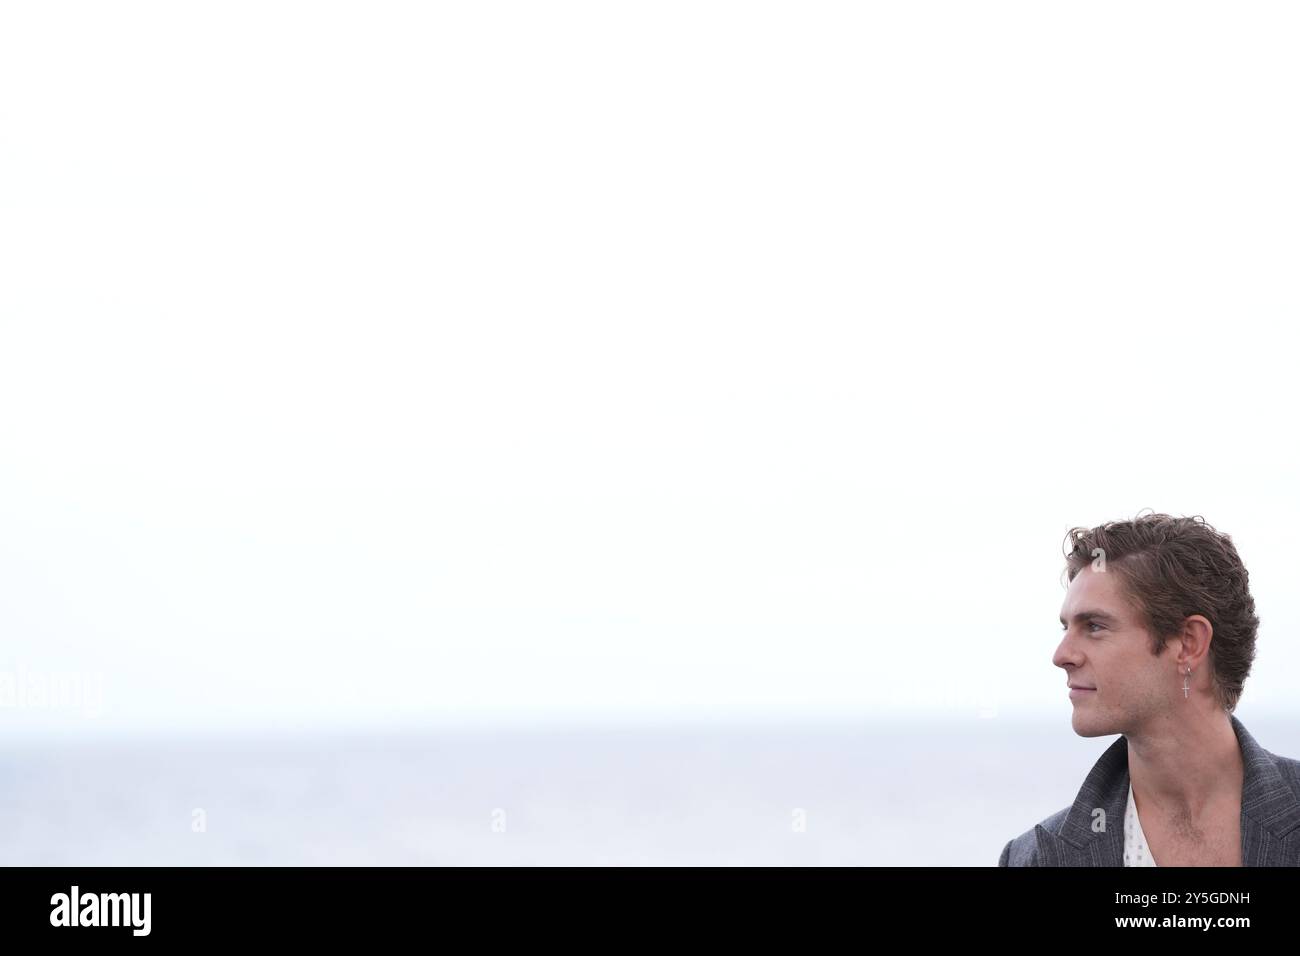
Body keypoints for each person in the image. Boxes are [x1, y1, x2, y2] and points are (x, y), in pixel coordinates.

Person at [999, 513, 1300, 866]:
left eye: (1094, 626)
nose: (1062, 655)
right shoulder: (1034, 859)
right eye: (1066, 628)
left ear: (1188, 643)